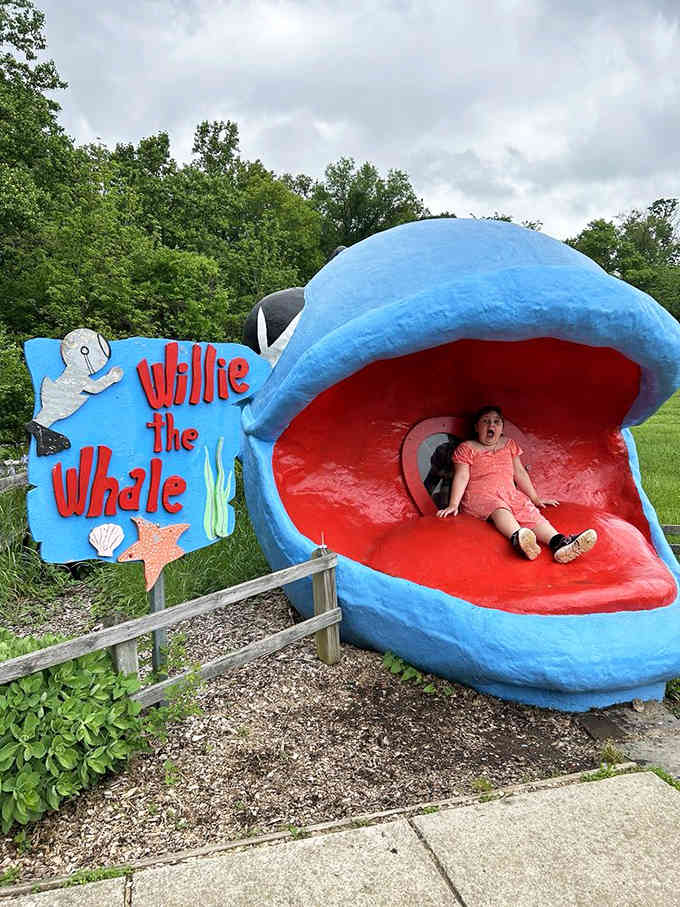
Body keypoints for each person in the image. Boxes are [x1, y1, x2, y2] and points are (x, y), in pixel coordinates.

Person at [436, 405, 597, 563]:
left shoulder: (508, 444)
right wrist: (453, 504)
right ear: (476, 427)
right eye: (485, 421)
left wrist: (535, 498)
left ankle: (559, 543)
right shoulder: (467, 448)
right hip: (480, 497)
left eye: (496, 422)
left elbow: (519, 473)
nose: (491, 425)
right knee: (498, 507)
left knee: (529, 512)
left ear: (502, 427)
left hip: (509, 494)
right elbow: (462, 476)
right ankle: (518, 538)